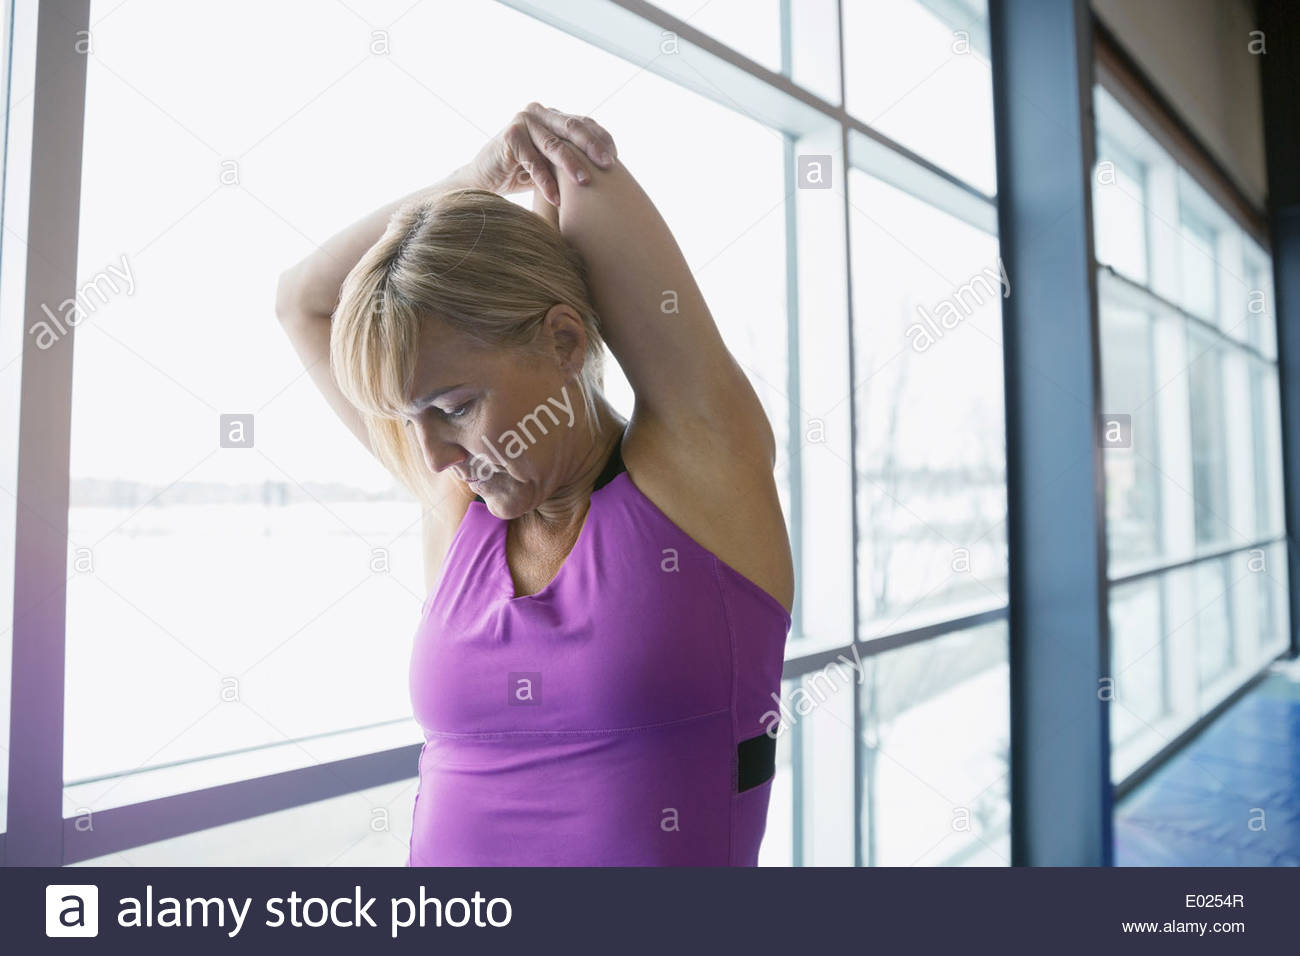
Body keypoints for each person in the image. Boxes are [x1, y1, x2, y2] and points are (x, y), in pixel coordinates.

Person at [275, 103, 794, 865]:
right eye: (404, 417)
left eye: (453, 407)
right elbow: (303, 302)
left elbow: (585, 182)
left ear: (563, 339)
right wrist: (467, 183)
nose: (432, 455)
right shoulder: (458, 513)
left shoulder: (697, 472)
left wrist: (539, 166)